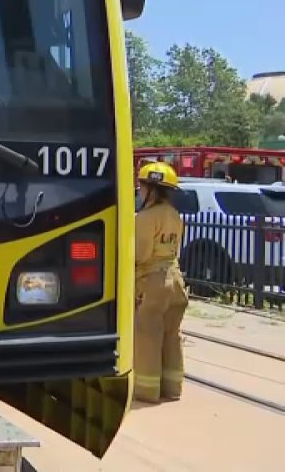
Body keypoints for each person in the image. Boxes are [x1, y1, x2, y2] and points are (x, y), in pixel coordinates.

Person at [133, 162, 188, 404]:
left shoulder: (145, 217)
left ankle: (146, 391)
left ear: (151, 190)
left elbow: (140, 255)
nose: (140, 191)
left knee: (147, 335)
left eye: (142, 187)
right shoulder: (175, 216)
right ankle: (172, 388)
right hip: (175, 280)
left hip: (153, 282)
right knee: (171, 334)